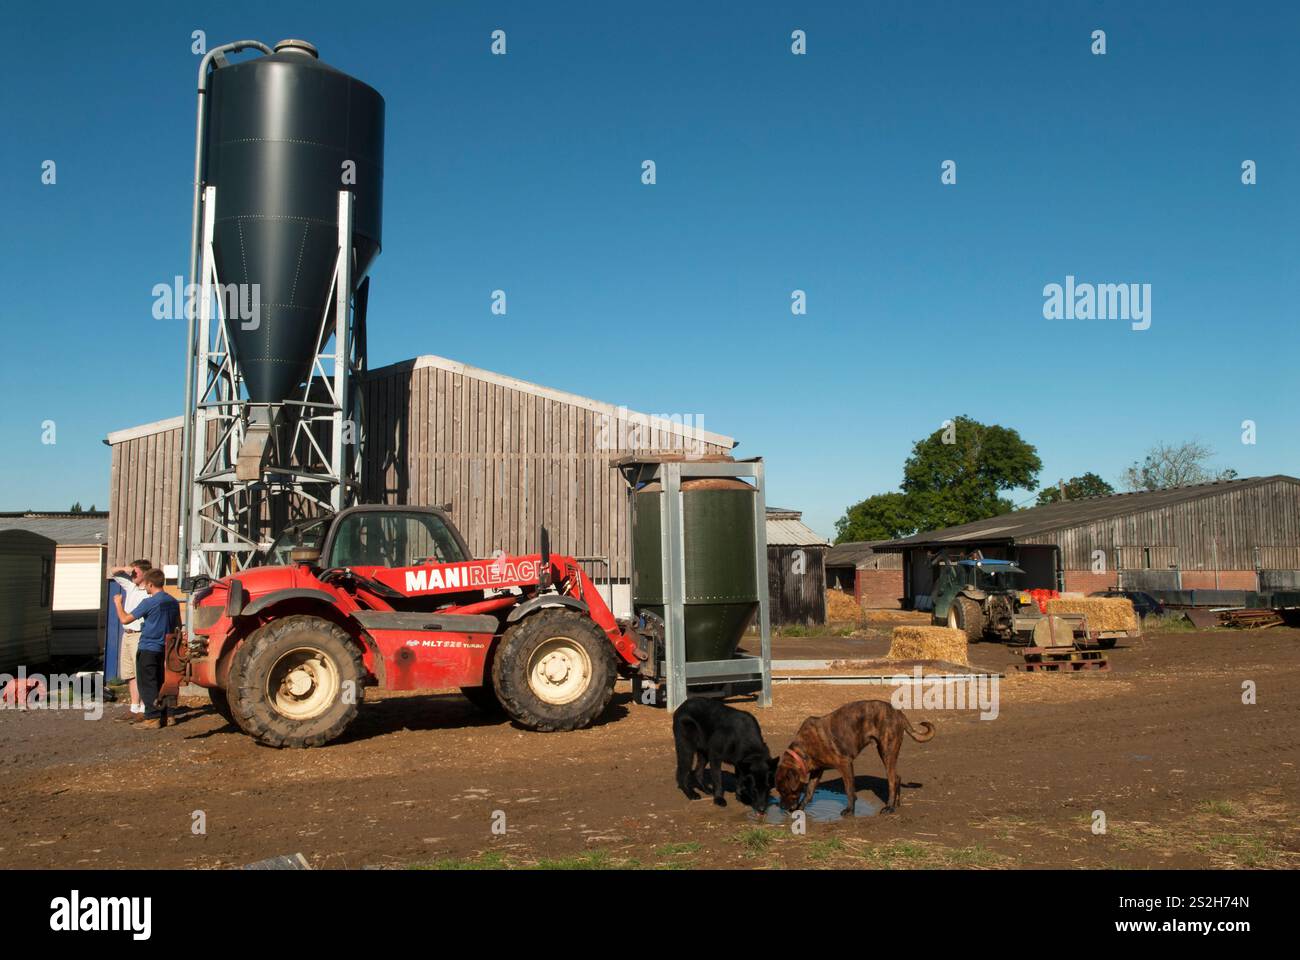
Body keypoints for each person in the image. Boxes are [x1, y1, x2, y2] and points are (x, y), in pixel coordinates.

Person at [113, 568, 180, 730]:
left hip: (149, 646)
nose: (146, 589)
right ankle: (168, 715)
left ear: (150, 584)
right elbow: (178, 624)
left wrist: (118, 603)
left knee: (147, 683)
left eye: (146, 586)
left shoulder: (149, 602)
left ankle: (152, 718)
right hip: (166, 647)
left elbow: (125, 619)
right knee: (163, 681)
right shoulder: (173, 601)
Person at [110, 559, 152, 718]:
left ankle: (143, 707)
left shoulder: (147, 592)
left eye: (136, 572)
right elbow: (113, 571)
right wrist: (125, 568)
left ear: (145, 573)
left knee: (140, 671)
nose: (133, 574)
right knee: (130, 674)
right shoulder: (131, 586)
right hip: (127, 634)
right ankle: (134, 706)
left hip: (138, 633)